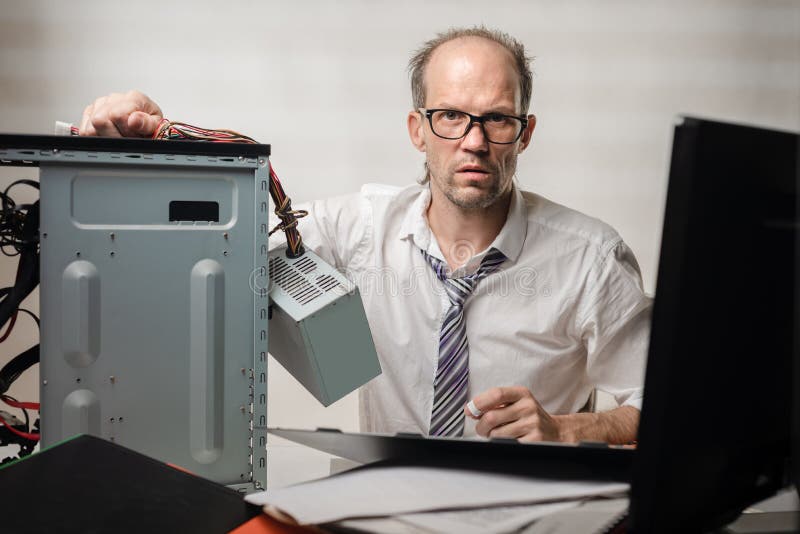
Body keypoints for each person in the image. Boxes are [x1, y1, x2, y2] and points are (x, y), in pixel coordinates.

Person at [78, 27, 651, 444]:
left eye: (496, 119)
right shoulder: (357, 230)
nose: (473, 141)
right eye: (450, 116)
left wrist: (571, 427)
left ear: (523, 134)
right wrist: (158, 144)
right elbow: (211, 255)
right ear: (417, 130)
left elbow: (665, 410)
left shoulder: (592, 259)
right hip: (384, 514)